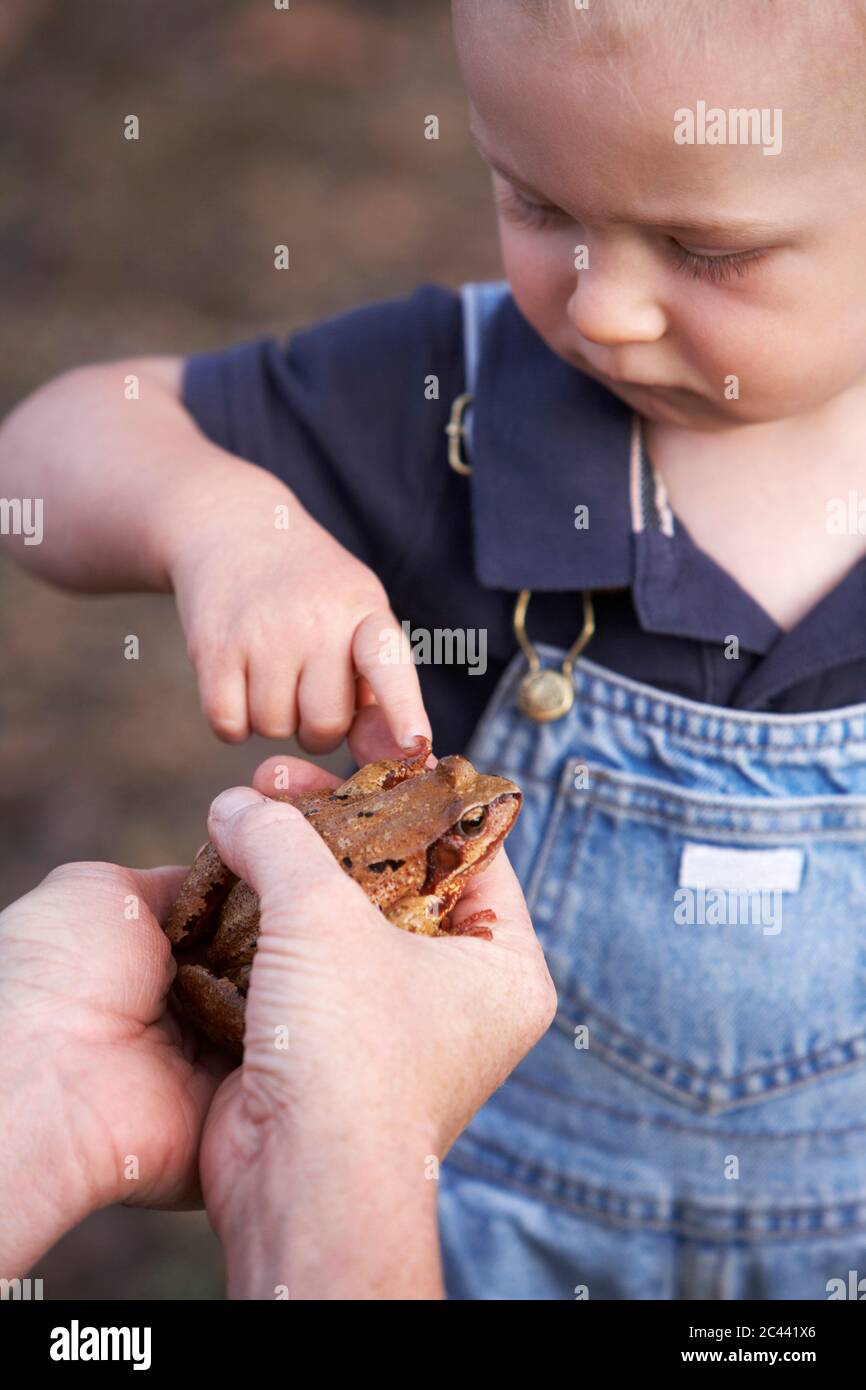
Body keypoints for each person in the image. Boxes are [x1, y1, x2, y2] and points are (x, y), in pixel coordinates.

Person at [3, 0, 866, 1297]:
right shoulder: (456, 400)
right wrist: (223, 524)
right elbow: (47, 449)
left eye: (704, 247)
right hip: (472, 1238)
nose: (605, 307)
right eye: (538, 204)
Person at [0, 747, 555, 1298]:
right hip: (248, 979)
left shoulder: (380, 792)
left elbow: (363, 783)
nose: (499, 799)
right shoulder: (427, 890)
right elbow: (409, 918)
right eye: (472, 819)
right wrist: (448, 931)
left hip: (239, 914)